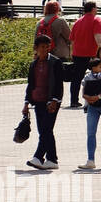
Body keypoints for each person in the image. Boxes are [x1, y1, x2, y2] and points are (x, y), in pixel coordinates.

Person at [22, 34, 64, 170]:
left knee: (46, 129)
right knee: (45, 131)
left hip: (51, 102)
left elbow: (59, 84)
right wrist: (26, 103)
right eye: (42, 47)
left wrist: (55, 100)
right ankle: (52, 160)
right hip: (38, 101)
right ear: (36, 48)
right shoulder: (33, 64)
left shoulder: (56, 62)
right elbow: (30, 84)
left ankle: (38, 157)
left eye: (47, 47)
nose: (45, 50)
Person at [67, 1, 101, 109]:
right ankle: (96, 98)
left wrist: (71, 53)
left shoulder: (77, 21)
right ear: (93, 9)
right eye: (96, 8)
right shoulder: (96, 20)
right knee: (97, 77)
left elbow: (72, 41)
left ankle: (74, 101)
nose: (97, 10)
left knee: (76, 78)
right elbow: (97, 36)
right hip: (92, 54)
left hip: (77, 53)